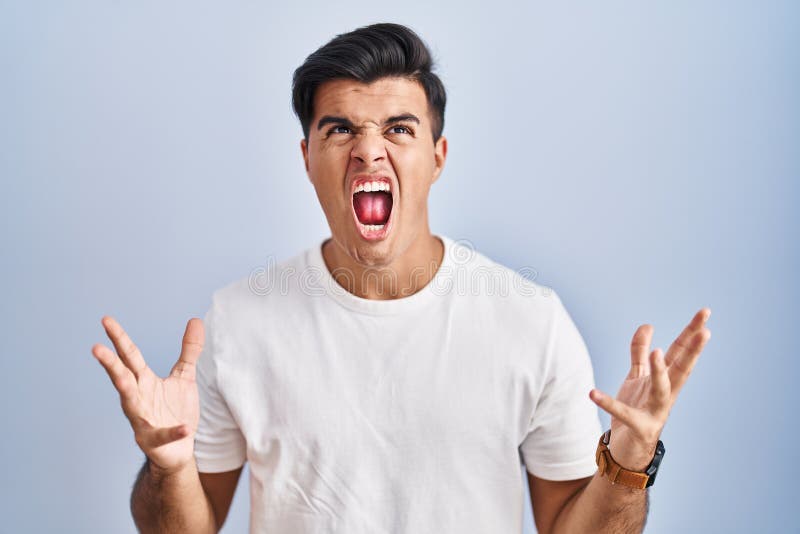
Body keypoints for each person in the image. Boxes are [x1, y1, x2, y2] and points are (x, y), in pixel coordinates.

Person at [92, 22, 711, 534]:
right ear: (306, 158)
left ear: (437, 159)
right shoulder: (239, 321)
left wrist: (628, 463)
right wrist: (168, 467)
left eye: (398, 128)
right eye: (339, 129)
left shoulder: (531, 320)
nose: (368, 150)